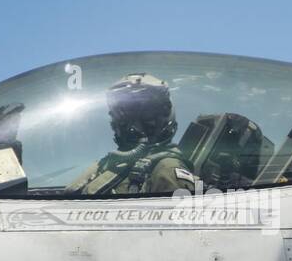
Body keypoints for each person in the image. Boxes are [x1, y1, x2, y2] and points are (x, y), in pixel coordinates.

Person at [65, 73, 198, 195]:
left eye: (146, 112)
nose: (133, 126)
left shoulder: (167, 169)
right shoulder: (111, 163)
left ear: (164, 115)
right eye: (122, 113)